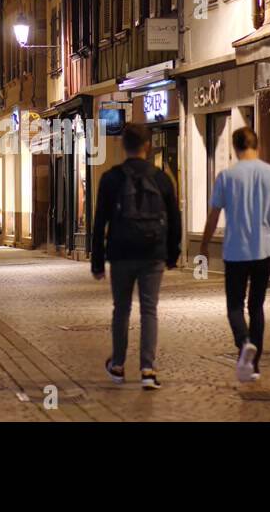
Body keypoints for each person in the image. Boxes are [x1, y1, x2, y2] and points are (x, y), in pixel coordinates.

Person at [199, 126, 270, 383]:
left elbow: (214, 215)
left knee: (234, 305)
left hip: (235, 250)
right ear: (257, 145)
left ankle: (244, 343)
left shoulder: (226, 177)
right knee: (257, 306)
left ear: (235, 147)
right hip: (264, 249)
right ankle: (255, 365)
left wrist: (205, 245)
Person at [91, 123, 181, 391]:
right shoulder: (162, 178)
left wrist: (97, 262)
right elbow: (175, 219)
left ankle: (118, 365)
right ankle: (147, 369)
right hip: (153, 254)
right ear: (147, 145)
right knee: (149, 309)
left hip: (120, 253)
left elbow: (99, 223)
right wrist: (172, 254)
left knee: (121, 309)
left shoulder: (110, 179)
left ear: (123, 145)